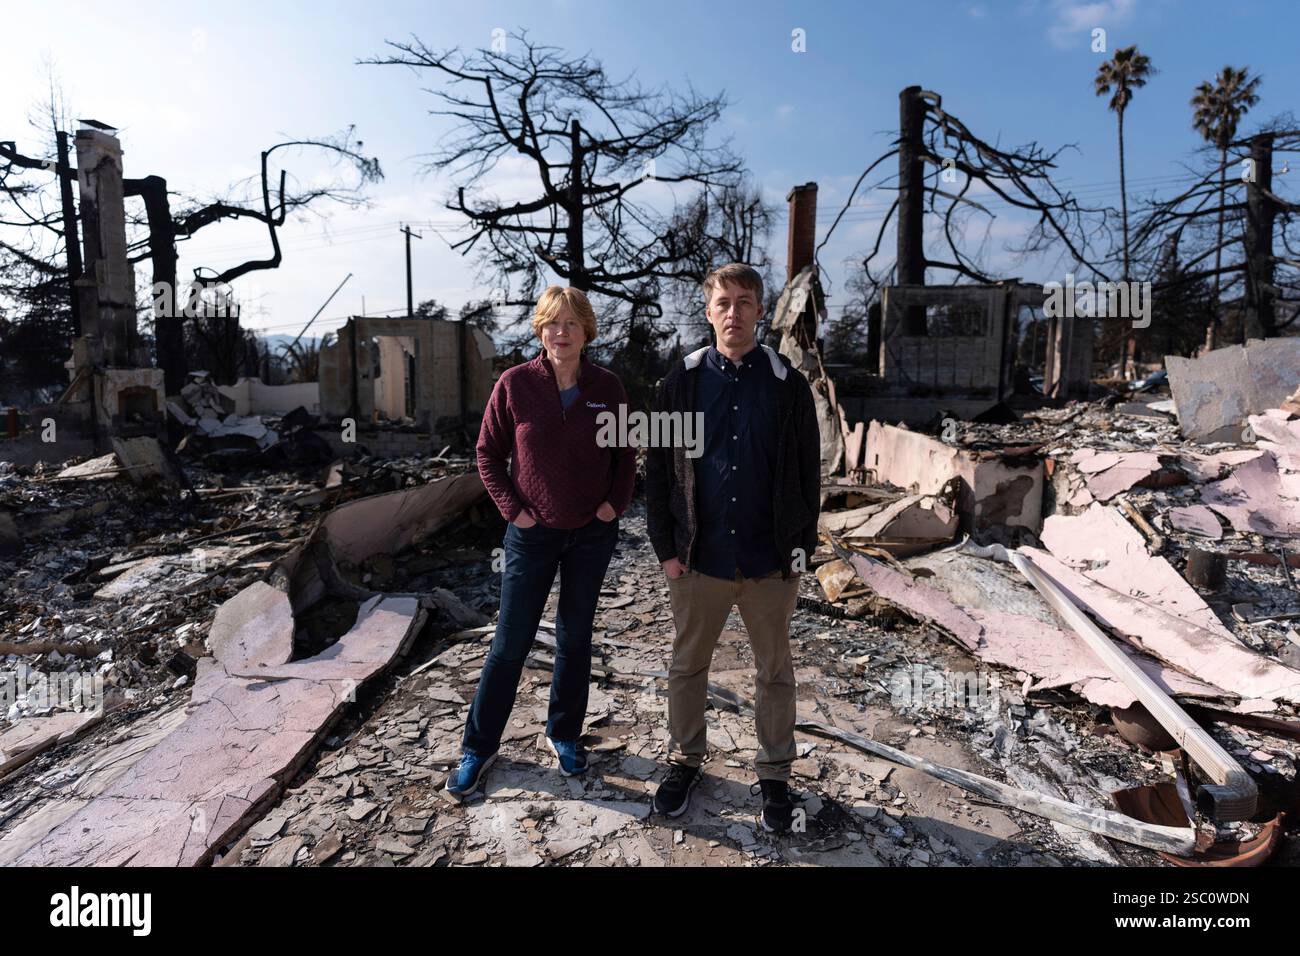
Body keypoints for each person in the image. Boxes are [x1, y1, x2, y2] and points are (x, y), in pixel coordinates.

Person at [645, 262, 821, 832]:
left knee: (775, 671)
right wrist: (665, 550)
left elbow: (806, 475)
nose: (733, 313)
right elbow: (657, 475)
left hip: (771, 561)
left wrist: (802, 549)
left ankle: (774, 776)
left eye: (745, 302)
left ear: (760, 310)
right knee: (687, 664)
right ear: (707, 311)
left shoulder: (787, 386)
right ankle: (684, 762)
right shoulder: (680, 384)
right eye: (723, 302)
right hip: (701, 560)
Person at [446, 286, 636, 799]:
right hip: (531, 537)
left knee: (575, 639)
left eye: (571, 323)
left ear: (586, 331)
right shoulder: (514, 385)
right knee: (510, 643)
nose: (561, 332)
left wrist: (611, 507)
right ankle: (478, 748)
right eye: (552, 323)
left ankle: (565, 734)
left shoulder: (608, 387)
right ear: (540, 330)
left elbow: (625, 458)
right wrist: (515, 513)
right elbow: (487, 454)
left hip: (592, 536)